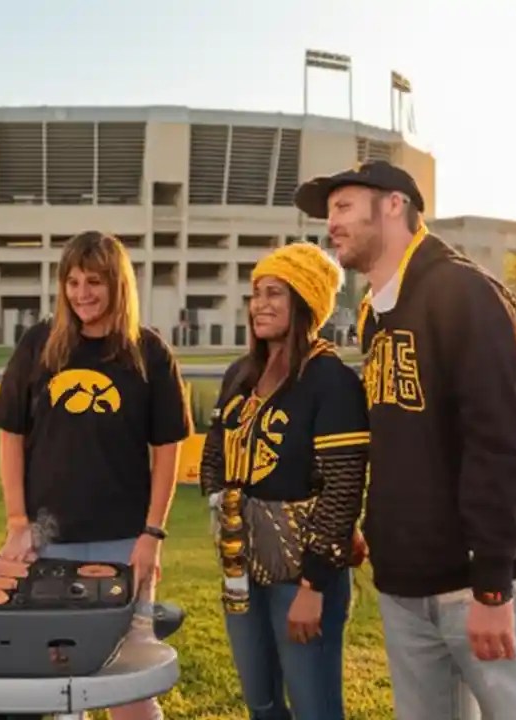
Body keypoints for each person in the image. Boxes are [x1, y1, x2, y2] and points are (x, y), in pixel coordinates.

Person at [293, 160, 516, 719]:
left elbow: (500, 443)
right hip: (407, 584)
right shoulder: (376, 315)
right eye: (329, 214)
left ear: (395, 205)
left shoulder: (462, 293)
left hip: (490, 582)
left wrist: (493, 585)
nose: (332, 224)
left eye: (345, 207)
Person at [0, 230, 191, 720]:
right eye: (72, 281)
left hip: (124, 543)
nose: (82, 293)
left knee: (130, 685)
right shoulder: (40, 345)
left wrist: (152, 534)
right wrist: (18, 522)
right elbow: (10, 434)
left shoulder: (149, 353)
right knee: (58, 680)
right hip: (49, 540)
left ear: (118, 285)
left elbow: (168, 447)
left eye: (94, 281)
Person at [199, 242, 370, 720]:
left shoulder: (330, 380)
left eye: (275, 292)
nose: (261, 304)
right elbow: (216, 448)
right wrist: (221, 505)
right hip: (241, 567)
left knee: (314, 707)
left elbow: (342, 488)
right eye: (256, 293)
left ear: (305, 301)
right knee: (262, 702)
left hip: (302, 576)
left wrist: (314, 585)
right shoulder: (241, 373)